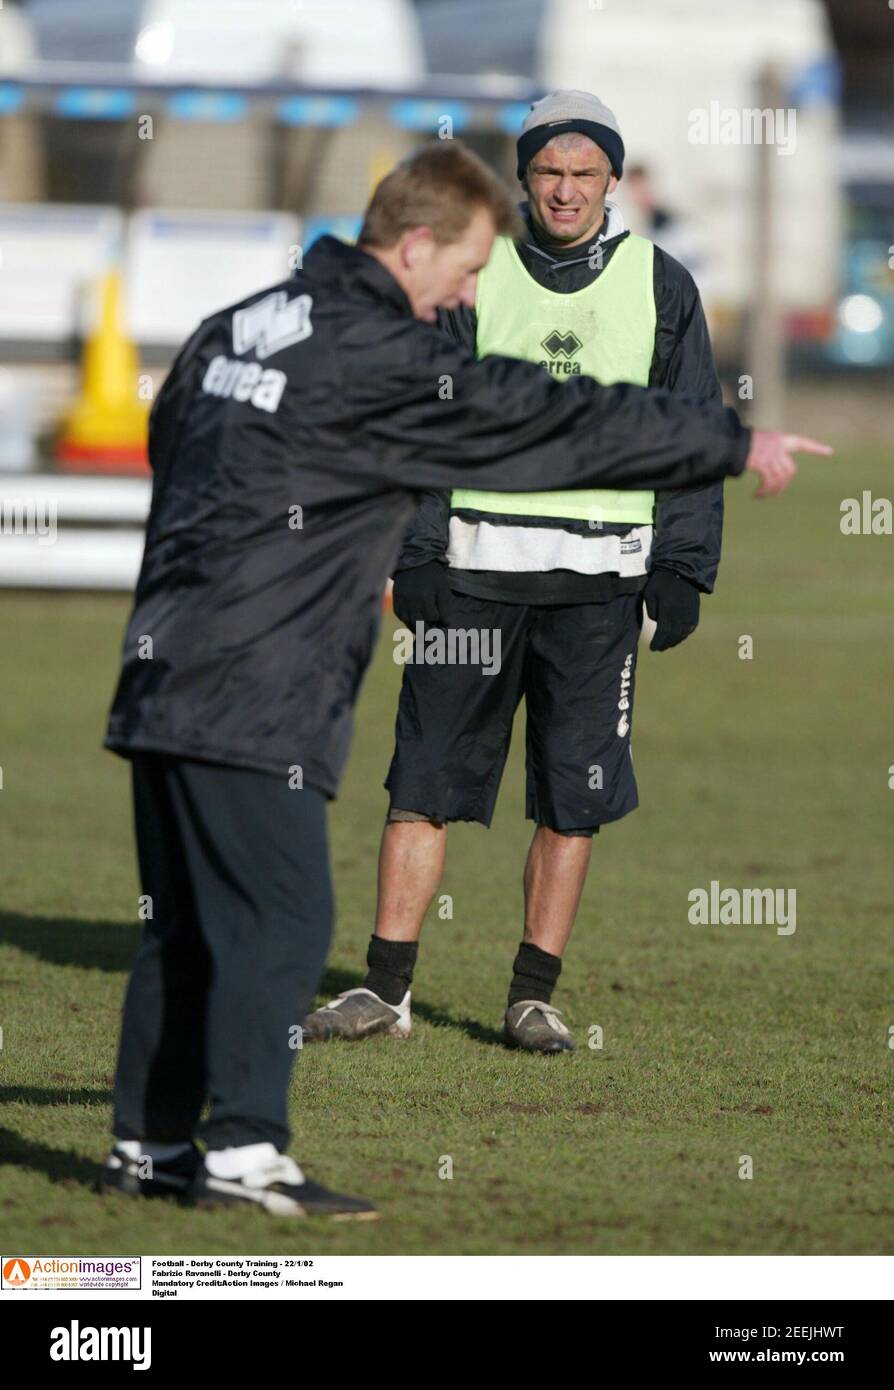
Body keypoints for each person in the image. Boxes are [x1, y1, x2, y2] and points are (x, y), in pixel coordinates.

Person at [99, 139, 826, 1218]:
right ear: (421, 244)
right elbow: (545, 416)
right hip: (257, 683)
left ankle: (148, 1150)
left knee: (191, 921)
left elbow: (171, 443)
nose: (477, 292)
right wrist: (719, 440)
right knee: (286, 918)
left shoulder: (247, 321)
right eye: (473, 268)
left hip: (158, 664)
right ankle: (247, 1153)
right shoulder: (381, 353)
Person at [300, 92, 815, 1055]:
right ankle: (384, 993)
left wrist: (684, 569)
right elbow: (420, 419)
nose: (567, 190)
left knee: (573, 799)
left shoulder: (663, 286)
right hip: (470, 576)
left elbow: (692, 428)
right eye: (550, 172)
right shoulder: (475, 273)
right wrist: (414, 550)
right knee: (422, 784)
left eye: (586, 173)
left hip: (599, 588)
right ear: (523, 178)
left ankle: (532, 998)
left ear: (614, 180)